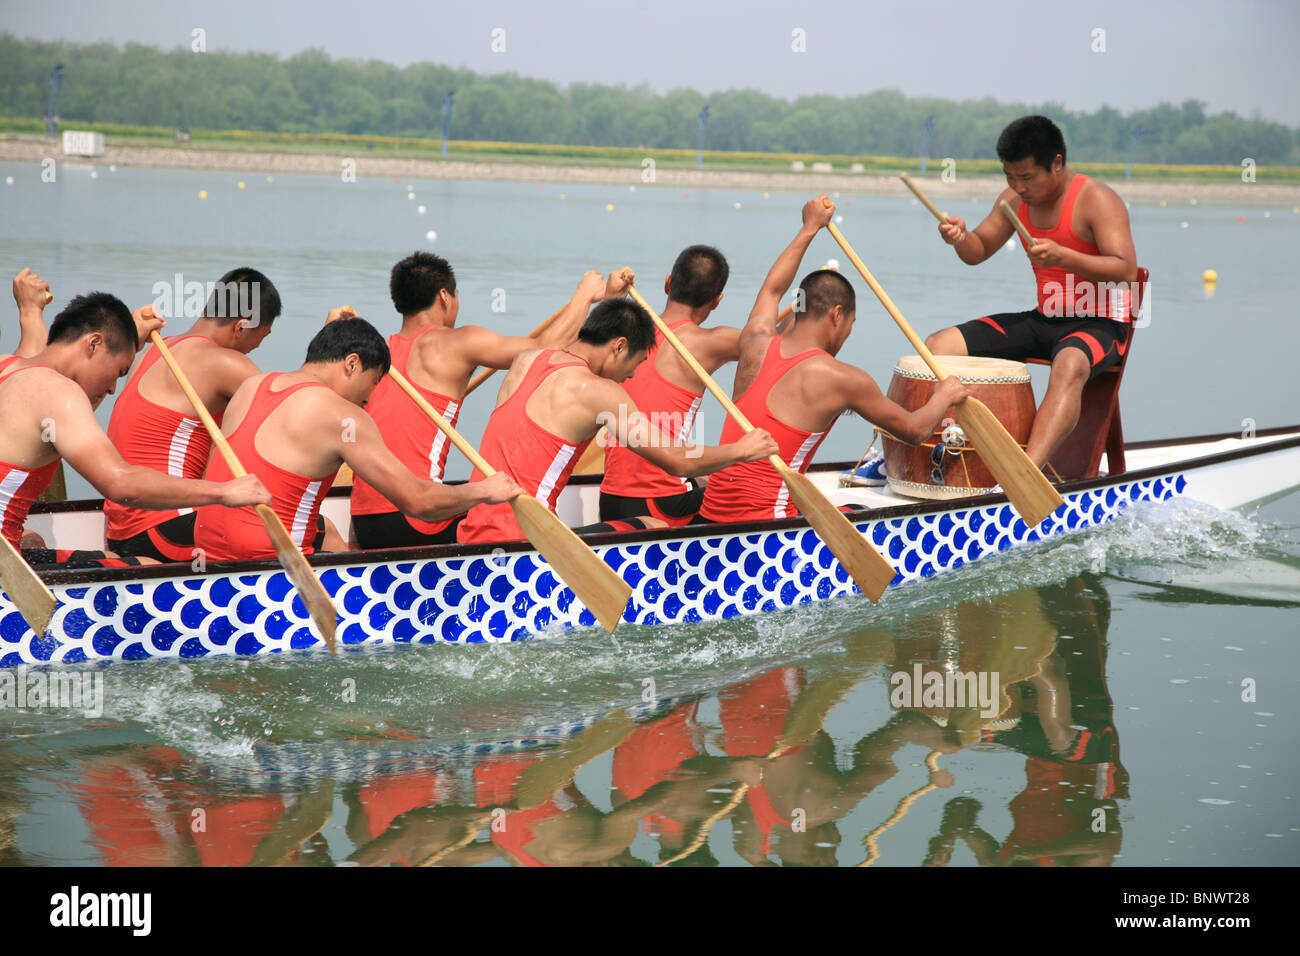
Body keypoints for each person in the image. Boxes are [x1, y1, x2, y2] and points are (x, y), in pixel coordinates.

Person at [698, 196, 970, 524]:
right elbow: (914, 430)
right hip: (763, 530)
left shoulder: (755, 342)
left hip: (711, 516)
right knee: (858, 513)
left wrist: (809, 228)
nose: (847, 337)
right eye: (850, 327)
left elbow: (772, 291)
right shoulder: (844, 379)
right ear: (837, 315)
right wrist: (946, 396)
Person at [456, 288, 778, 545]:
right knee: (653, 525)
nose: (630, 377)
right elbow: (676, 460)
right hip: (530, 545)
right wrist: (741, 450)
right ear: (619, 347)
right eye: (634, 364)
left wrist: (599, 295)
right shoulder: (601, 393)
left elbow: (566, 340)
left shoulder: (526, 360)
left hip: (473, 534)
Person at [193, 317, 520, 562]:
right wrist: (483, 491)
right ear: (352, 363)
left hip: (207, 550)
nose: (369, 397)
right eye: (373, 381)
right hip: (274, 564)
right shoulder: (342, 416)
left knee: (330, 533)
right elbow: (418, 503)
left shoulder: (253, 385)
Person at [920, 115, 1139, 471]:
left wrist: (1063, 256)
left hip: (1100, 323)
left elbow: (1126, 271)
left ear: (1056, 164)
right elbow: (977, 251)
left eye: (1026, 177)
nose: (1018, 187)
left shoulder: (1096, 199)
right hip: (1045, 320)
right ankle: (928, 455)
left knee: (1070, 362)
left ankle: (1026, 473)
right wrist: (960, 238)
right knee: (938, 346)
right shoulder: (1012, 200)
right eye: (1009, 177)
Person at [0, 281, 269, 568]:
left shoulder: (9, 366)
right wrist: (223, 491)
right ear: (93, 343)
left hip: (10, 548)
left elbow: (34, 352)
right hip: (6, 569)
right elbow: (120, 483)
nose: (114, 388)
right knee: (148, 567)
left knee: (76, 551)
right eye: (118, 371)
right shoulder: (59, 393)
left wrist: (127, 337)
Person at [349, 252, 603, 548]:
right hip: (417, 519)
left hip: (364, 522)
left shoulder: (379, 356)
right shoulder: (455, 341)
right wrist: (584, 296)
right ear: (445, 297)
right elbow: (542, 351)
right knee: (501, 514)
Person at [104, 268, 282, 561]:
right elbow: (294, 415)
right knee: (319, 530)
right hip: (167, 529)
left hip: (121, 532)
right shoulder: (225, 363)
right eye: (261, 337)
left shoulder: (151, 352)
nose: (256, 348)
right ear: (240, 327)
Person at [599, 245, 740, 527]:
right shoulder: (709, 342)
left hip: (609, 499)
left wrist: (608, 298)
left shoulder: (624, 333)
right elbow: (777, 348)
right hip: (660, 506)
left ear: (668, 284)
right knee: (742, 488)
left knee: (705, 478)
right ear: (717, 301)